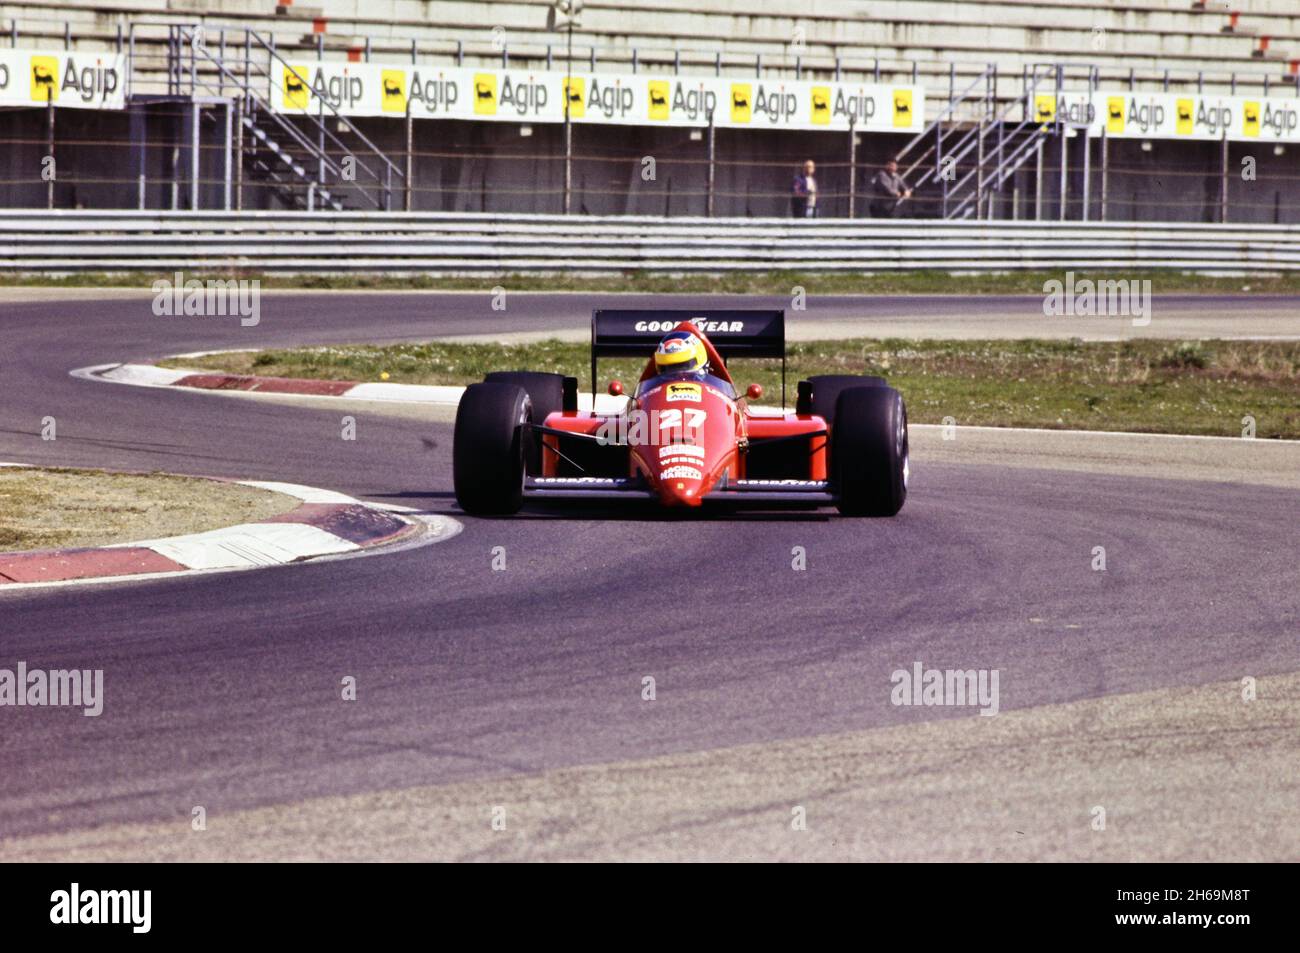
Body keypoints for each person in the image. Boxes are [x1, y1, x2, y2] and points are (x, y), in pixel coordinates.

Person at [639, 330, 733, 397]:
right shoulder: (652, 395)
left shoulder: (718, 392)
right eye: (668, 368)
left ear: (700, 360)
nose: (677, 373)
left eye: (682, 366)